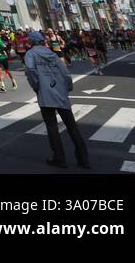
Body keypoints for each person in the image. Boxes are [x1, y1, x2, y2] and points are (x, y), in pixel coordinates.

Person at [24, 30, 89, 170]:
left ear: (32, 42)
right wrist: (67, 88)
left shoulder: (31, 54)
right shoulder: (52, 54)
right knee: (72, 126)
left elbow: (30, 69)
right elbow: (65, 73)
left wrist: (36, 86)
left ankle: (59, 158)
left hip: (45, 94)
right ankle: (84, 159)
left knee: (52, 127)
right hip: (60, 92)